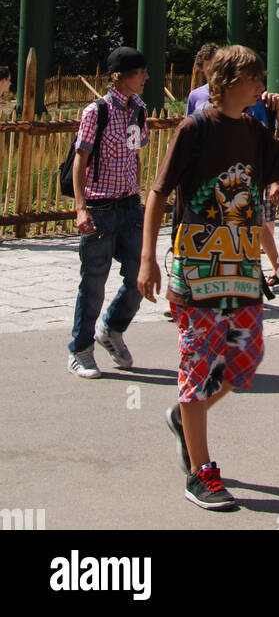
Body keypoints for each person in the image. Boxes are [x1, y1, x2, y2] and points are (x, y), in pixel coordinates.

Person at [137, 45, 279, 509]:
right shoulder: (195, 128)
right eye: (255, 79)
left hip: (242, 266)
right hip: (197, 266)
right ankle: (201, 471)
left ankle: (183, 417)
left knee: (246, 358)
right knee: (196, 366)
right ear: (230, 81)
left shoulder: (254, 130)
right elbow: (157, 192)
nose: (261, 86)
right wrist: (148, 259)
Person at [68, 47, 149, 380]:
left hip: (129, 206)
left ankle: (112, 328)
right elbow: (80, 160)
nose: (146, 77)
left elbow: (135, 155)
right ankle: (80, 350)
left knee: (138, 277)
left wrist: (138, 193)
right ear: (122, 75)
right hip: (100, 208)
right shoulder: (96, 112)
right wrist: (80, 207)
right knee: (93, 284)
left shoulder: (139, 109)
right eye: (140, 71)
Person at [186, 43, 220, 114]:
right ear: (202, 67)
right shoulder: (194, 96)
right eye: (209, 65)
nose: (213, 69)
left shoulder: (231, 94)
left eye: (216, 64)